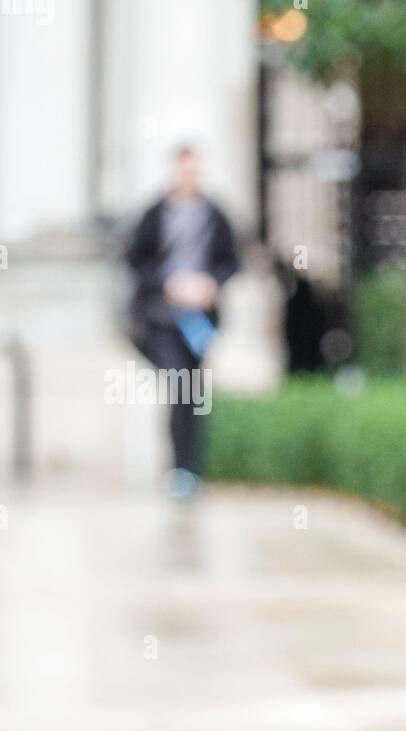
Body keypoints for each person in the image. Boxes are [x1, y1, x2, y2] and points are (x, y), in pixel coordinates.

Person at [124, 144, 240, 501]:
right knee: (178, 389)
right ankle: (179, 468)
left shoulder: (215, 214)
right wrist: (168, 284)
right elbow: (133, 259)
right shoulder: (154, 214)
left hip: (199, 323)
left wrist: (209, 285)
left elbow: (231, 261)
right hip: (162, 320)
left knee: (194, 394)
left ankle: (192, 469)